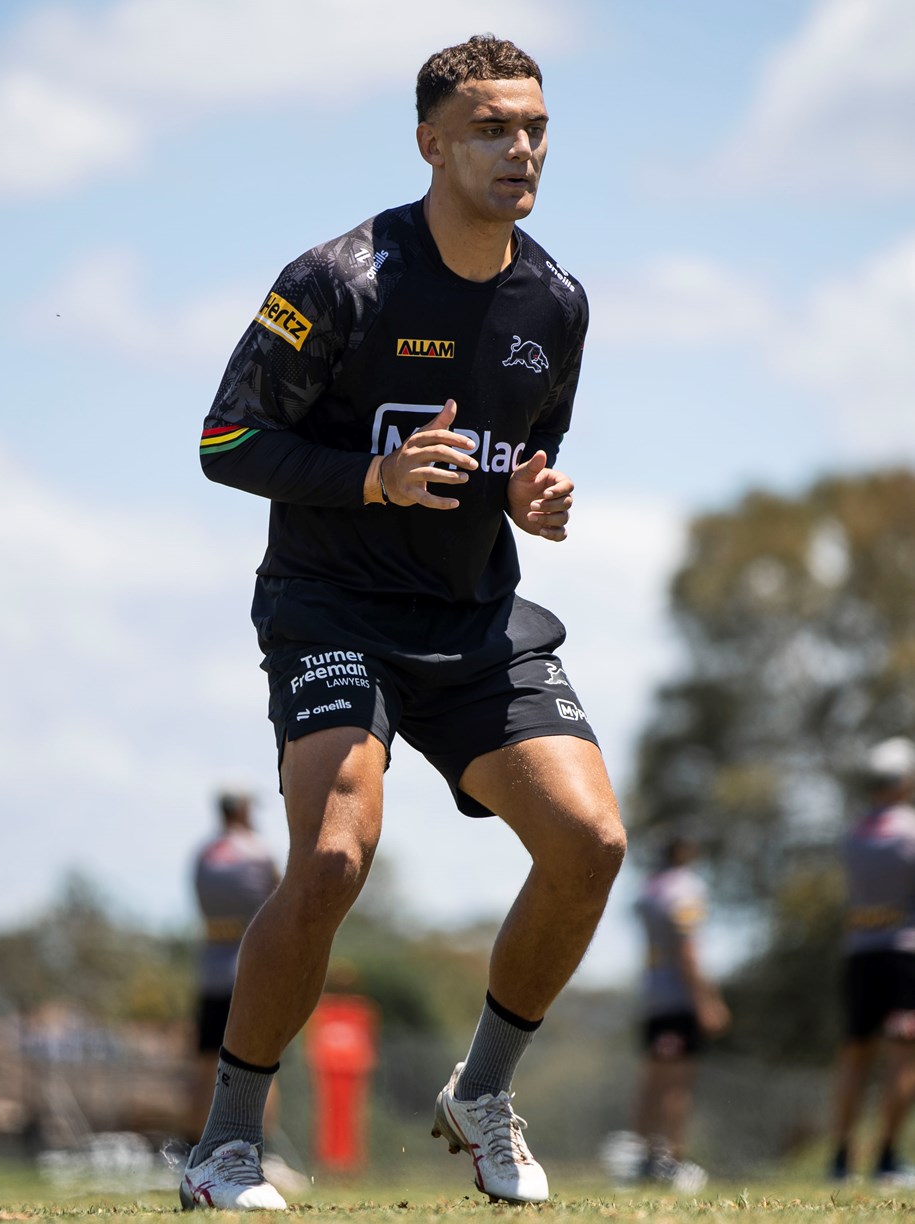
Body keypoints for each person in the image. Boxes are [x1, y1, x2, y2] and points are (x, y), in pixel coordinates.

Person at [181, 34, 626, 1211]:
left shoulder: (556, 301)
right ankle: (226, 1143)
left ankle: (481, 1093)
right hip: (332, 607)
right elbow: (225, 443)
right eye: (490, 127)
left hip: (475, 617)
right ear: (431, 141)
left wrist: (531, 493)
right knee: (331, 857)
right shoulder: (338, 279)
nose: (518, 147)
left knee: (590, 844)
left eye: (532, 126)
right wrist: (368, 480)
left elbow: (526, 454)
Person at [601, 831, 729, 1192]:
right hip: (678, 998)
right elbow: (687, 951)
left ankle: (641, 1157)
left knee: (651, 1080)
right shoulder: (685, 889)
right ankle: (671, 1160)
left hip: (652, 996)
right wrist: (707, 1000)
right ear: (685, 851)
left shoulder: (648, 889)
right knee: (677, 1083)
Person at [830, 736, 915, 1184]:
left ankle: (840, 1160)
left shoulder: (854, 833)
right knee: (903, 1056)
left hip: (860, 955)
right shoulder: (910, 830)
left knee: (855, 1056)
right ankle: (886, 1159)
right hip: (903, 956)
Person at [188, 792, 281, 1144]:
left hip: (210, 971)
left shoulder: (203, 854)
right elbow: (279, 901)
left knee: (203, 1064)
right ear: (243, 810)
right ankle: (262, 1148)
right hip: (250, 970)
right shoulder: (260, 851)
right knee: (261, 1063)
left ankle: (193, 1148)